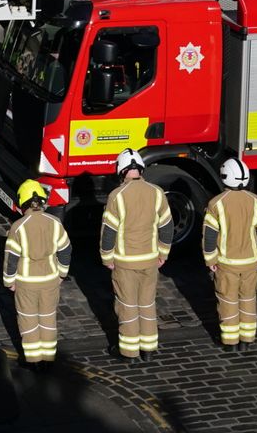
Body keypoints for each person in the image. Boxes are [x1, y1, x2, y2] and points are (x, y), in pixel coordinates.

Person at [100, 149, 170, 359]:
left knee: (127, 306)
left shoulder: (117, 196)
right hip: (150, 260)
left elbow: (109, 232)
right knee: (147, 303)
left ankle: (129, 351)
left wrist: (107, 257)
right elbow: (167, 226)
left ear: (121, 171)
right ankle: (148, 349)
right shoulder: (156, 192)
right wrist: (163, 254)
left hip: (125, 262)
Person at [200, 157, 257, 347]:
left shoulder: (216, 203)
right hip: (250, 262)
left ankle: (230, 340)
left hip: (226, 263)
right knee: (248, 299)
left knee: (227, 301)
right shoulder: (256, 201)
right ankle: (247, 339)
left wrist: (210, 259)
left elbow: (209, 236)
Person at [3, 179, 71, 364]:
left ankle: (34, 360)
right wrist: (62, 274)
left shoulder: (18, 227)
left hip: (26, 282)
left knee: (28, 320)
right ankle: (48, 358)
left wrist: (9, 281)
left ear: (22, 202)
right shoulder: (55, 222)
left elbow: (11, 259)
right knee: (48, 319)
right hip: (50, 279)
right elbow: (65, 250)